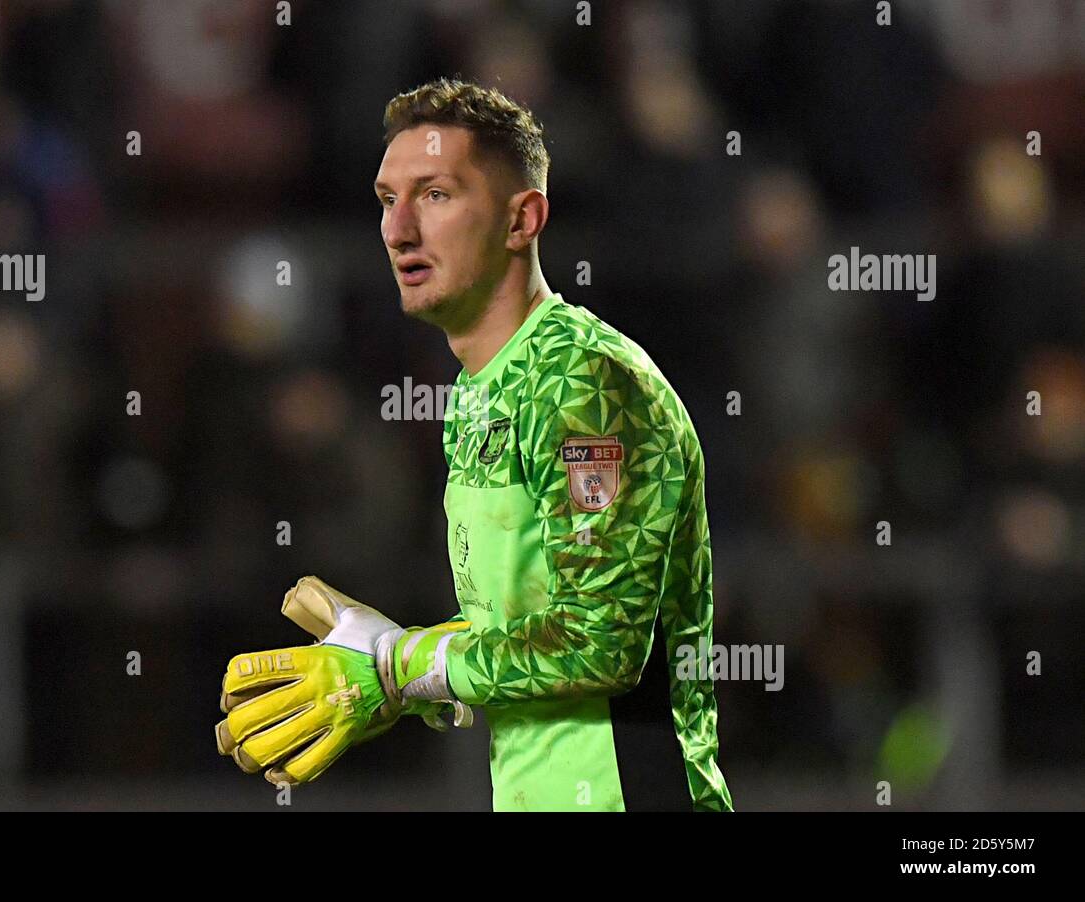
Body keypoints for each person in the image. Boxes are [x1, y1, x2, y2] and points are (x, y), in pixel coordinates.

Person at [216, 77, 732, 812]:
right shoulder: (476, 392)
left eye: (435, 195)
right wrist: (386, 669)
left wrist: (403, 664)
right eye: (387, 200)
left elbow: (598, 643)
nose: (398, 231)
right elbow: (523, 631)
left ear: (522, 220)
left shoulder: (587, 383)